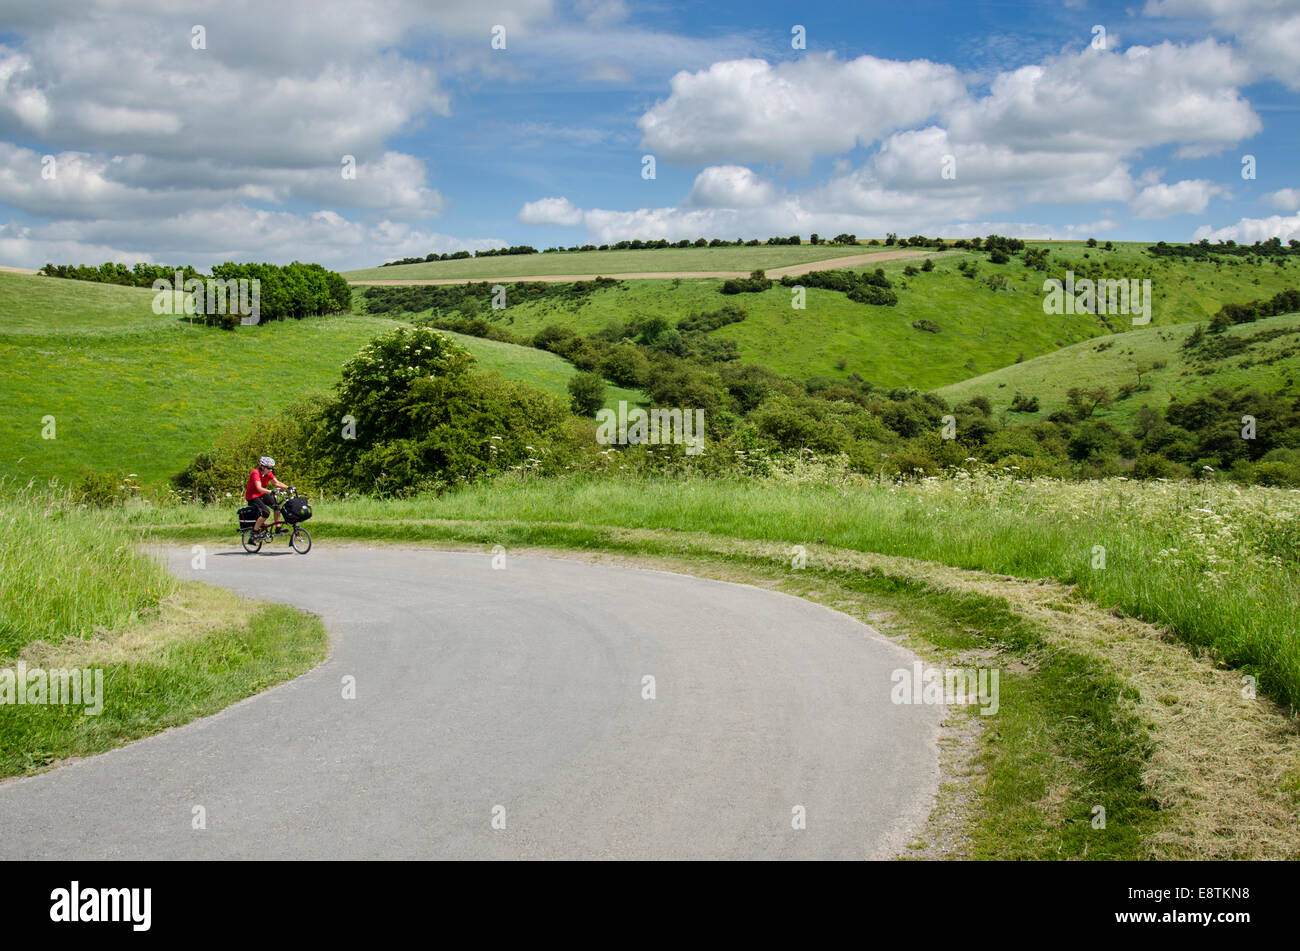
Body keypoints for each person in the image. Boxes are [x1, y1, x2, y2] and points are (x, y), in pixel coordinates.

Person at [246, 455, 289, 536]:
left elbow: (276, 483)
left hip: (262, 494)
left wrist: (288, 487)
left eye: (272, 468)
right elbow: (259, 488)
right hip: (252, 496)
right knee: (266, 512)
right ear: (262, 467)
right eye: (269, 468)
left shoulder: (268, 473)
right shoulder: (255, 473)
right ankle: (254, 531)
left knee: (276, 507)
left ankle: (278, 528)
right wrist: (271, 492)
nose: (271, 470)